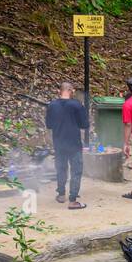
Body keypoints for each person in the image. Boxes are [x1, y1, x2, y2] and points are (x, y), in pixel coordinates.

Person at [45, 82, 88, 210]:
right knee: (76, 170)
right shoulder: (77, 105)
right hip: (74, 143)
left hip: (59, 143)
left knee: (61, 168)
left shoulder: (52, 105)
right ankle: (73, 200)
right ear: (71, 91)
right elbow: (84, 125)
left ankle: (61, 194)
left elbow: (49, 125)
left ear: (60, 91)